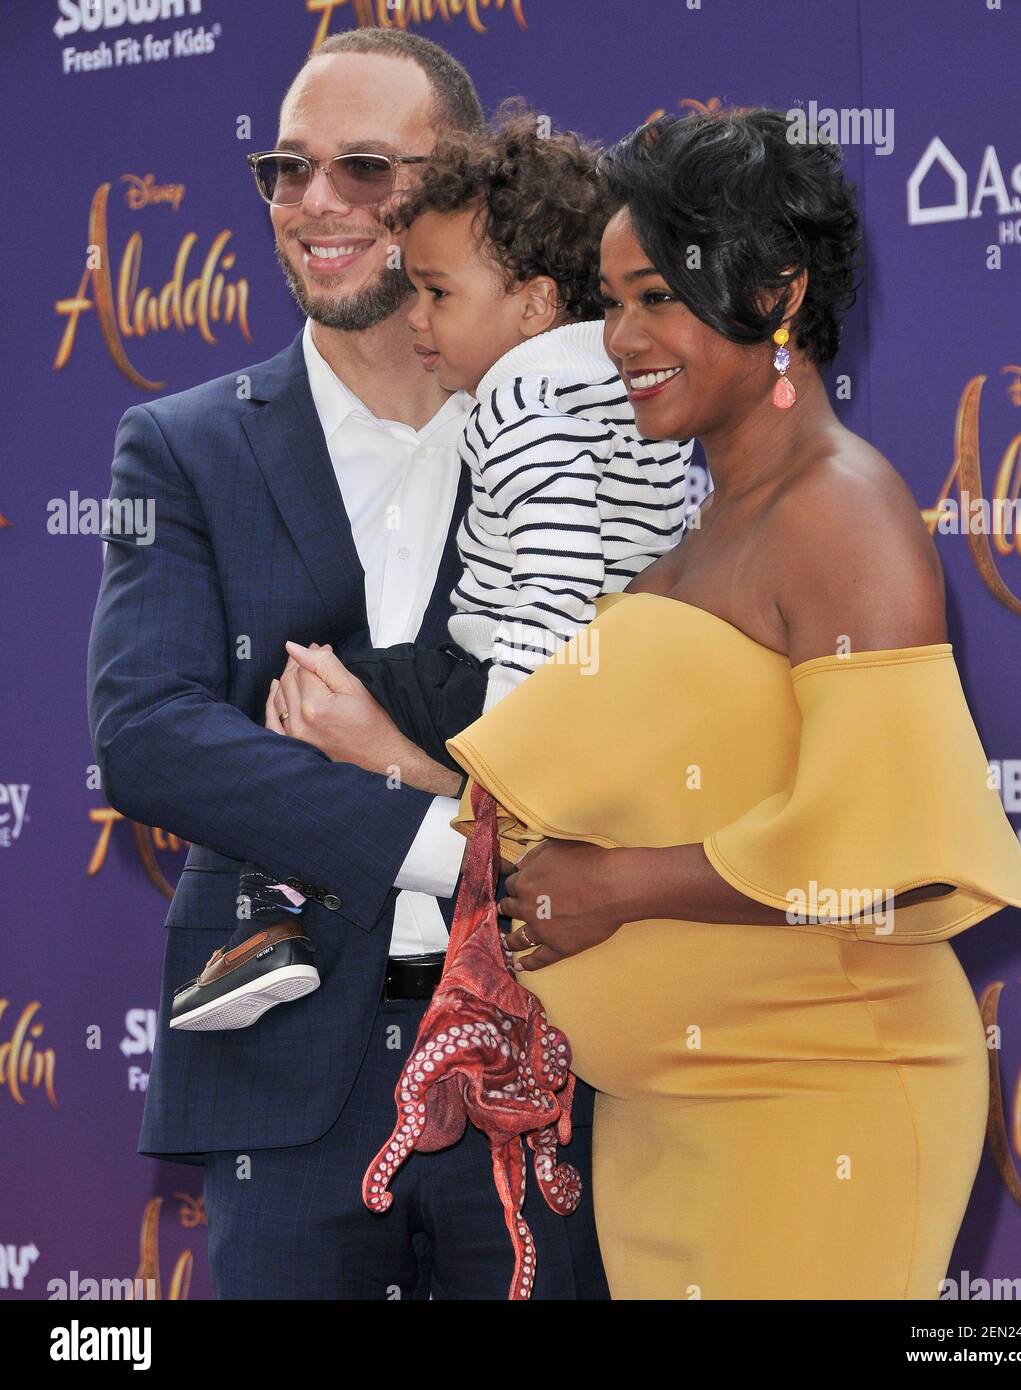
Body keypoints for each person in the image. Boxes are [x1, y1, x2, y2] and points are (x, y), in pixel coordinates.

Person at [430, 109, 1021, 1299]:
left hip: (821, 1100)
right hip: (669, 1122)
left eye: (656, 295)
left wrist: (618, 887)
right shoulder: (704, 521)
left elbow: (899, 846)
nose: (620, 339)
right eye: (608, 301)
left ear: (775, 291)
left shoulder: (839, 511)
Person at [87, 28, 607, 1301]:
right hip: (287, 1093)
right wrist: (439, 838)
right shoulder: (181, 445)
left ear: (464, 194)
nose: (314, 202)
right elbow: (147, 729)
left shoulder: (588, 436)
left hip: (554, 1065)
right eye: (285, 167)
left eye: (364, 167)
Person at [169, 105, 691, 1033]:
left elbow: (555, 579)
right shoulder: (620, 379)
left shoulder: (520, 394)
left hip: (504, 686)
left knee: (301, 696)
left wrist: (504, 757)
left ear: (532, 303)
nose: (415, 317)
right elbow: (667, 527)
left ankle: (269, 923)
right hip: (613, 690)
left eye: (438, 294)